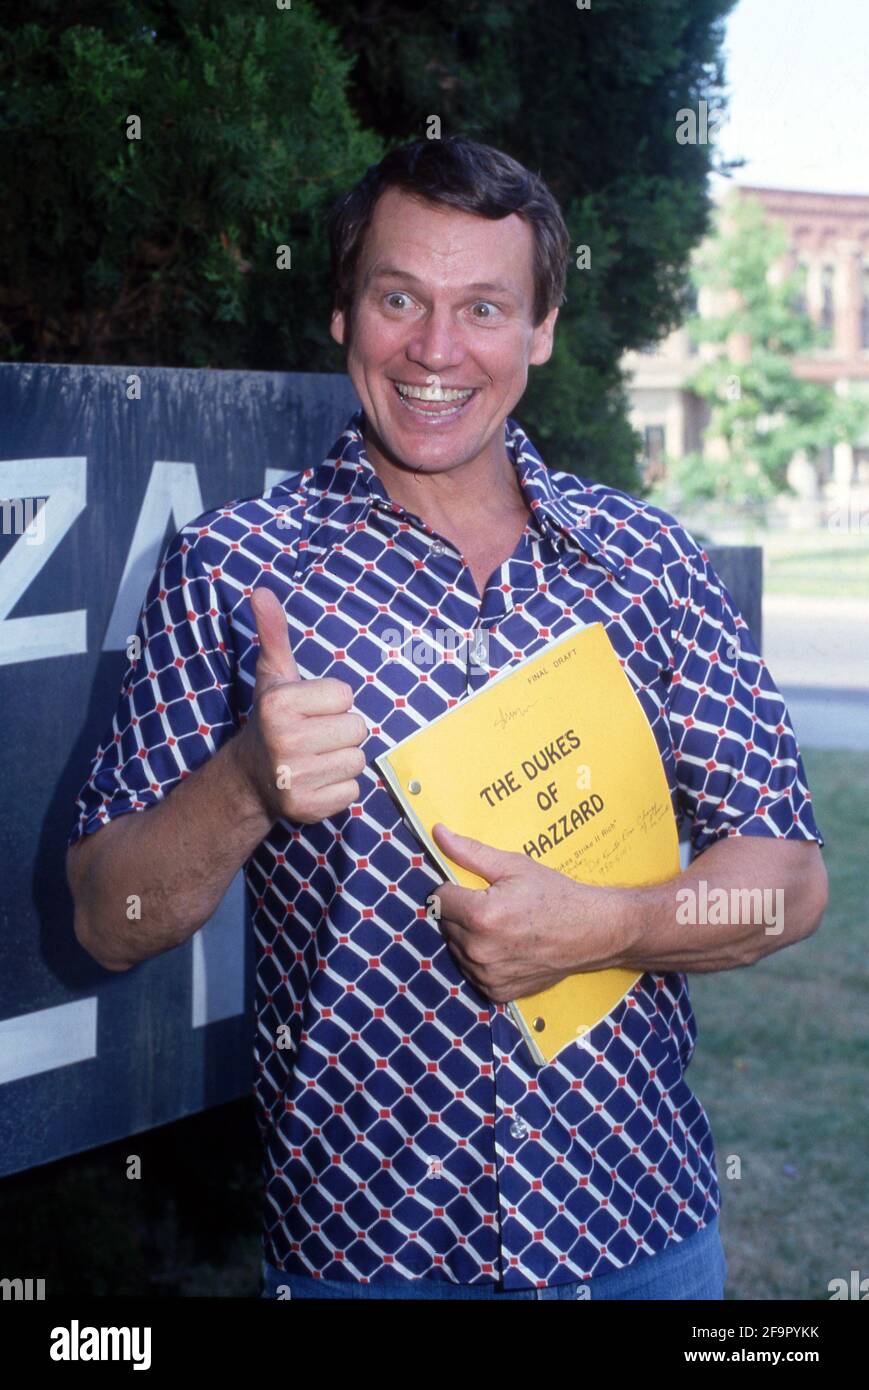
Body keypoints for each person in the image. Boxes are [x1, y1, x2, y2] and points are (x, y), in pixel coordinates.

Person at [66, 136, 827, 1301]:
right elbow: (107, 917)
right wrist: (244, 784)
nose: (435, 349)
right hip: (367, 1263)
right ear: (341, 313)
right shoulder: (230, 571)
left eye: (483, 306)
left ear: (540, 330)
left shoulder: (647, 565)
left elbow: (787, 878)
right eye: (397, 299)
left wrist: (603, 924)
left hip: (639, 1241)